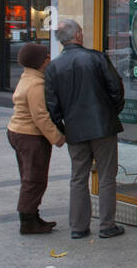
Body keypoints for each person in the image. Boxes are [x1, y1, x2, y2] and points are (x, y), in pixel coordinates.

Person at [43, 19, 127, 240]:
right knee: (107, 176)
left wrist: (63, 126)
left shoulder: (54, 67)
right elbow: (116, 88)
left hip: (75, 129)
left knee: (78, 177)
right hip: (102, 126)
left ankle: (78, 227)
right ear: (78, 35)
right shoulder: (96, 57)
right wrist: (111, 112)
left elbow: (52, 105)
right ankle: (107, 224)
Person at [7, 42, 65, 234]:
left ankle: (32, 216)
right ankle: (28, 221)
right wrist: (57, 137)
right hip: (30, 136)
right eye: (46, 56)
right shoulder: (36, 85)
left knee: (31, 177)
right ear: (41, 62)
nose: (49, 58)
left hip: (18, 132)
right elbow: (40, 116)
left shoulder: (27, 77)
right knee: (34, 179)